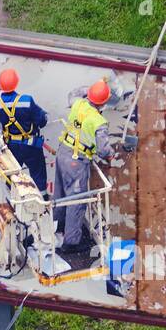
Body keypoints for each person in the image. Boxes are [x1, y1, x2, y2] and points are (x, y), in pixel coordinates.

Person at [52, 79, 112, 249]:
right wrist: (111, 155)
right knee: (77, 200)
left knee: (60, 194)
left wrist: (93, 87)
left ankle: (56, 228)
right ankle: (71, 242)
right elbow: (103, 150)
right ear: (104, 103)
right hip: (76, 162)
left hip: (63, 152)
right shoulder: (99, 122)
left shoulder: (78, 104)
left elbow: (74, 93)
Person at [0, 67, 48, 193]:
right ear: (16, 83)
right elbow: (41, 121)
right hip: (31, 146)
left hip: (10, 148)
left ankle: (13, 199)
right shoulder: (26, 101)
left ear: (0, 85)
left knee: (12, 177)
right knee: (38, 175)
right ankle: (43, 198)